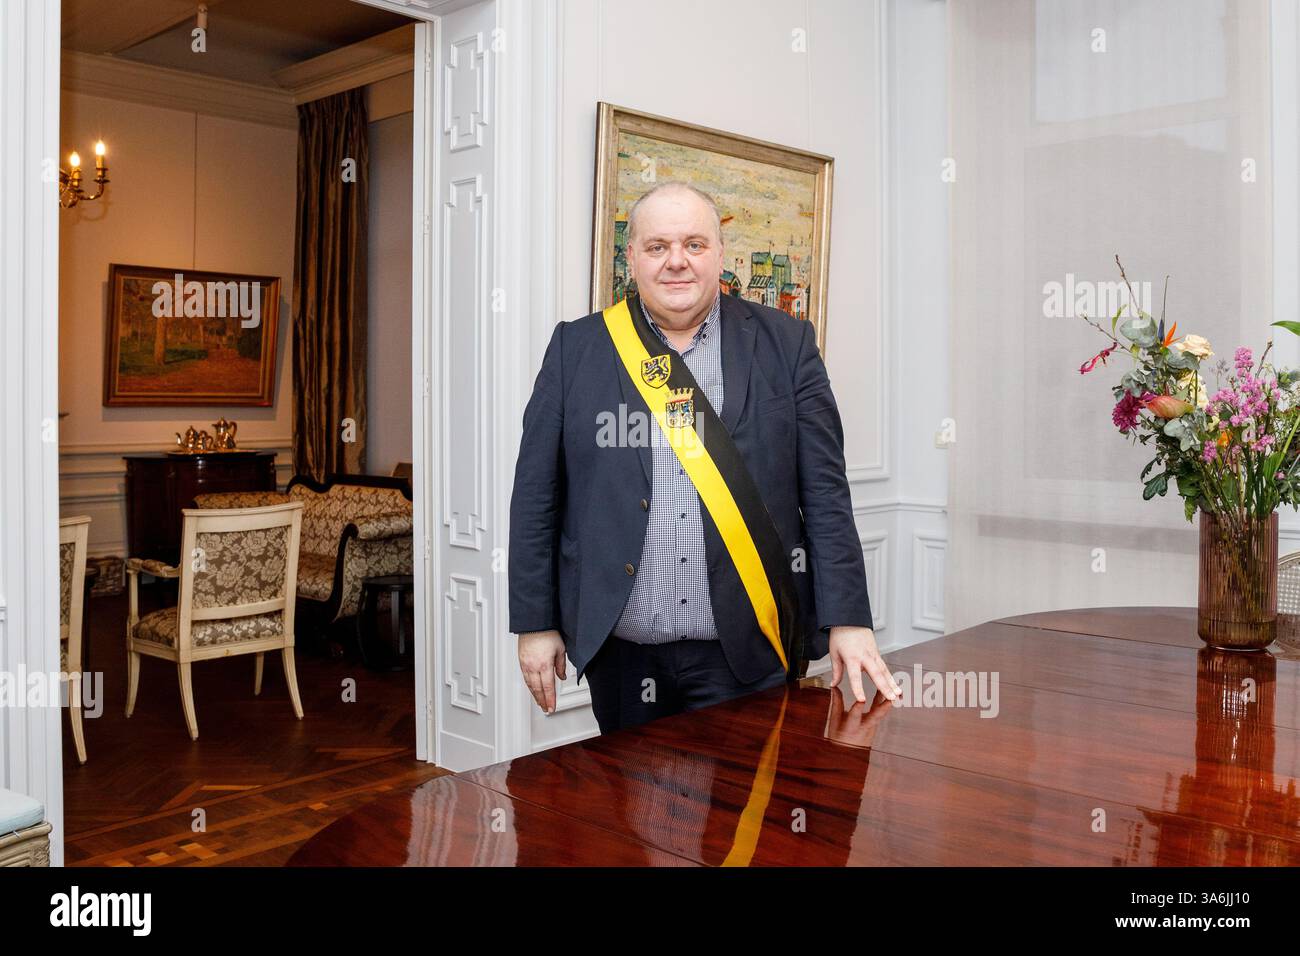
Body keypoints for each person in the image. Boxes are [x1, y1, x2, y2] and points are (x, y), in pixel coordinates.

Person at [509, 181, 900, 734]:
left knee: (747, 813)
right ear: (631, 257)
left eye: (694, 244)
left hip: (746, 651)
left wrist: (849, 619)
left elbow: (825, 493)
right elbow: (536, 496)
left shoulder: (787, 344)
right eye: (657, 246)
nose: (677, 262)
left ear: (720, 253)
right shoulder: (577, 348)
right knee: (626, 815)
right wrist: (535, 623)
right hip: (623, 652)